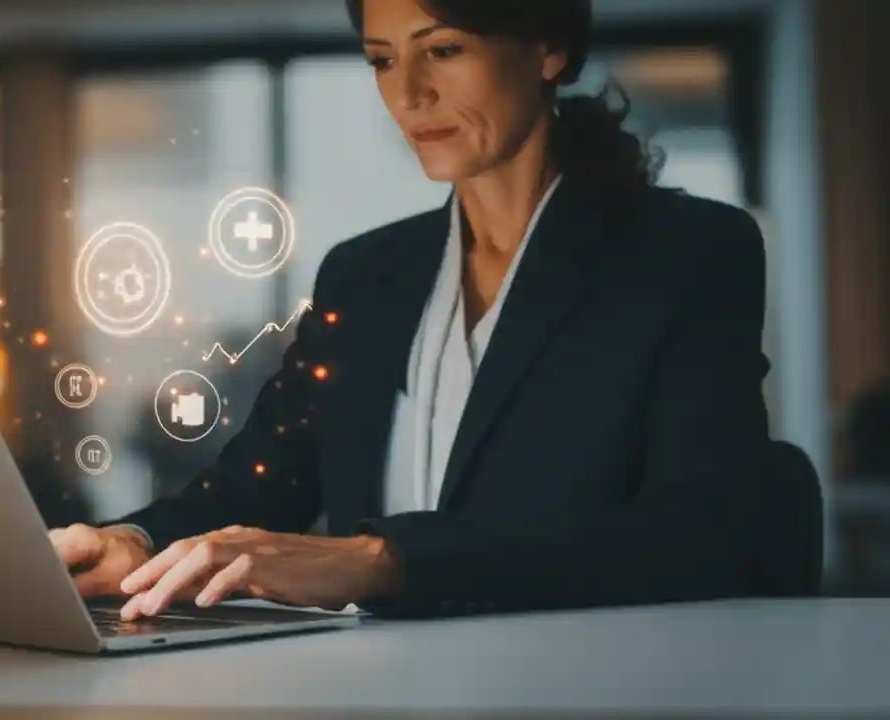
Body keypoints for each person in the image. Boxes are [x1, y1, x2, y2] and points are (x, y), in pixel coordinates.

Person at [49, 0, 773, 621]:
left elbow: (699, 535)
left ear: (548, 47)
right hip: (382, 690)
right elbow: (260, 484)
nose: (409, 95)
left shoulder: (688, 253)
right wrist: (134, 545)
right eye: (382, 61)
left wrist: (385, 559)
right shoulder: (364, 276)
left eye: (444, 51)